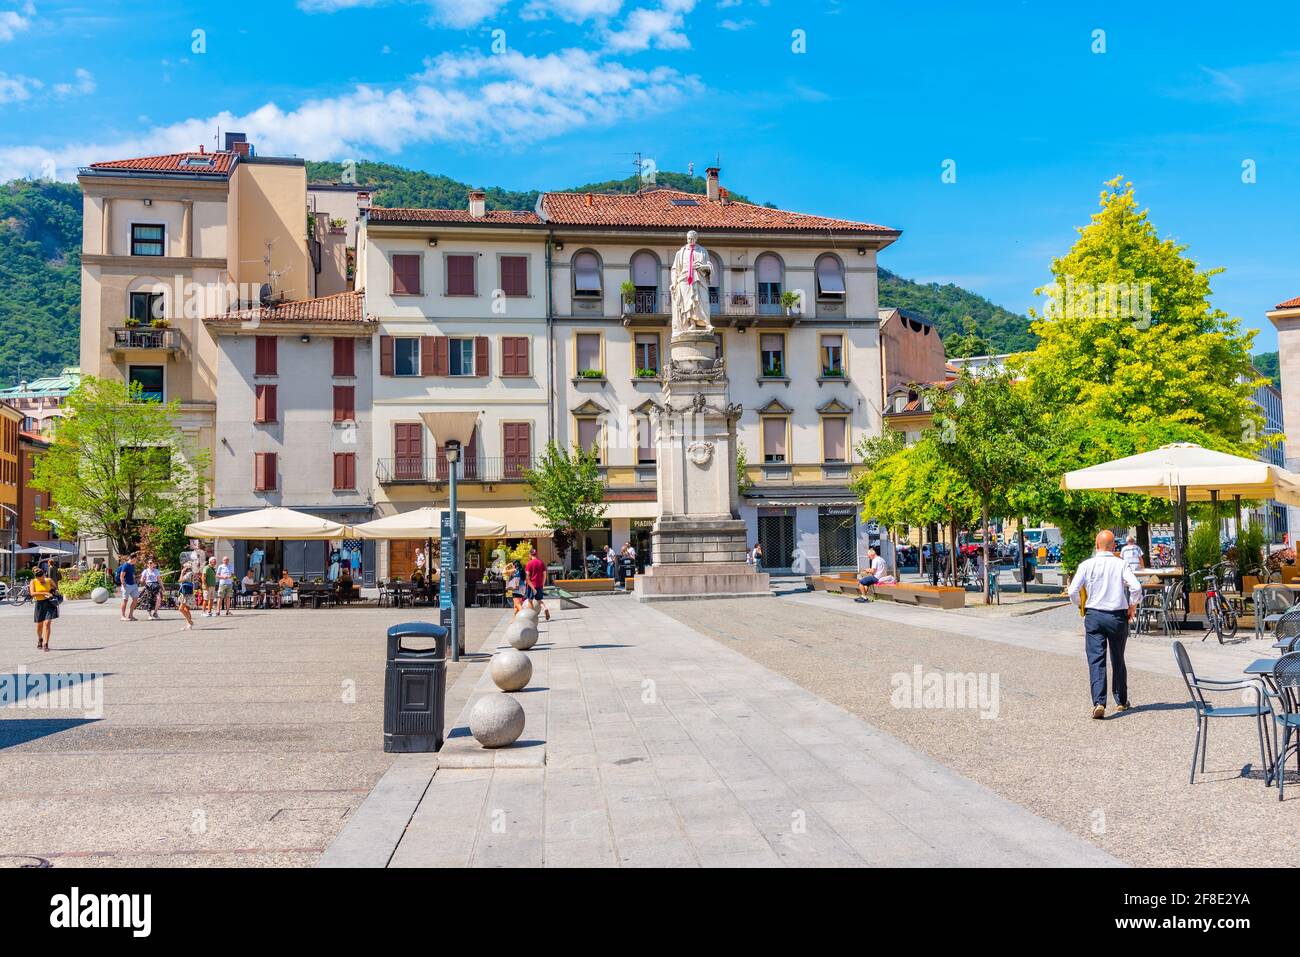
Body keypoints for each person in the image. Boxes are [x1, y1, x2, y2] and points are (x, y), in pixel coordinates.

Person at [1068, 529, 1143, 720]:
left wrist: (1081, 605)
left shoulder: (1086, 565)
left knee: (1096, 659)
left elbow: (1073, 590)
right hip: (1117, 616)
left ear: (1096, 545)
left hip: (1094, 614)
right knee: (1118, 658)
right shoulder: (1121, 564)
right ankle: (1120, 700)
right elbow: (1136, 586)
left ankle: (1099, 702)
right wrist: (1132, 605)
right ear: (1114, 547)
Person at [29, 564, 57, 651]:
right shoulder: (33, 582)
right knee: (39, 626)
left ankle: (46, 644)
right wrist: (45, 593)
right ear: (36, 577)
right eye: (39, 579)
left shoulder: (48, 580)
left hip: (49, 603)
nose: (41, 580)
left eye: (42, 578)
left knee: (47, 623)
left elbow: (55, 587)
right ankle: (40, 638)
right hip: (39, 604)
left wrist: (52, 591)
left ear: (44, 575)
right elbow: (32, 593)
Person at [525, 547, 550, 621]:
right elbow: (545, 574)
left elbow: (527, 576)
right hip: (539, 585)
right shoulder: (541, 562)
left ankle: (532, 616)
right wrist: (543, 584)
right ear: (536, 554)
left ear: (530, 554)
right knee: (539, 600)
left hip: (531, 585)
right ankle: (545, 608)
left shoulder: (529, 563)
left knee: (530, 600)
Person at [117, 553, 139, 622]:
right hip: (127, 585)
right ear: (133, 558)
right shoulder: (126, 565)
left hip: (133, 585)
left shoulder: (132, 565)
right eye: (136, 559)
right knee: (125, 600)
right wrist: (123, 584)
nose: (137, 560)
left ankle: (130, 615)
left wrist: (136, 580)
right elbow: (121, 575)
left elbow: (132, 575)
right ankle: (123, 616)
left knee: (135, 600)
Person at [176, 564, 195, 630]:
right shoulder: (189, 573)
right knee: (186, 609)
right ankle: (189, 624)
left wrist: (181, 573)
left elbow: (180, 580)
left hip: (186, 594)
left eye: (185, 567)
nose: (183, 567)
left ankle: (190, 622)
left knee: (181, 609)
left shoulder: (189, 573)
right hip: (186, 593)